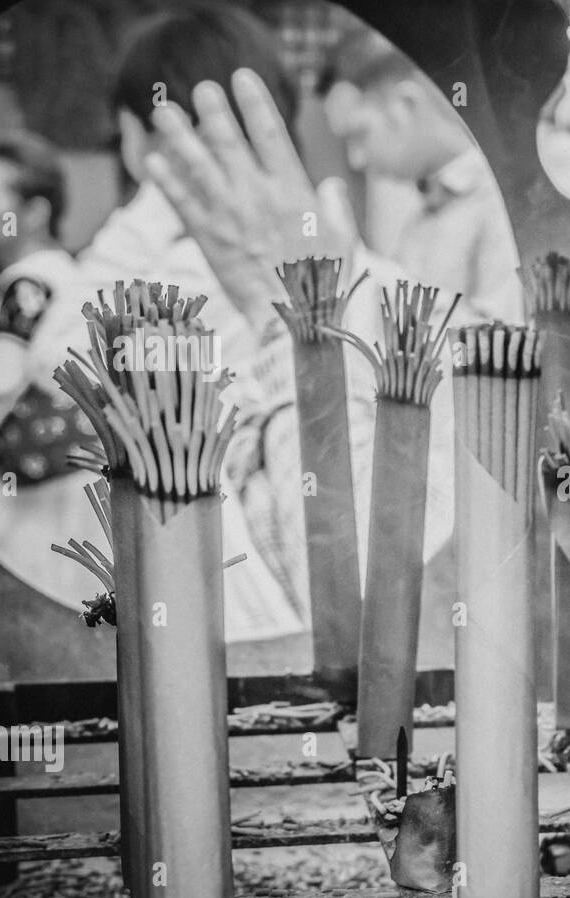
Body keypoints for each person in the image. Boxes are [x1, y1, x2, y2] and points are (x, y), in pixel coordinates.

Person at [145, 61, 521, 670]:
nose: (359, 159)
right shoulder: (413, 226)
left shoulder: (497, 229)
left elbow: (370, 598)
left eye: (358, 135)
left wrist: (303, 333)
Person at [0, 5, 307, 645]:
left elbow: (58, 356)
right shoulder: (311, 239)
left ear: (142, 129)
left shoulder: (170, 261)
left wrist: (157, 194)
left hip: (208, 573)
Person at [0, 131, 101, 607]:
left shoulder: (30, 284)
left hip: (37, 506)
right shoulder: (65, 273)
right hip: (69, 495)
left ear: (36, 212)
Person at [320, 32, 525, 324]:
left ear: (405, 105)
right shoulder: (425, 203)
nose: (357, 158)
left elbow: (504, 347)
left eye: (360, 135)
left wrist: (360, 266)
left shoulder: (500, 201)